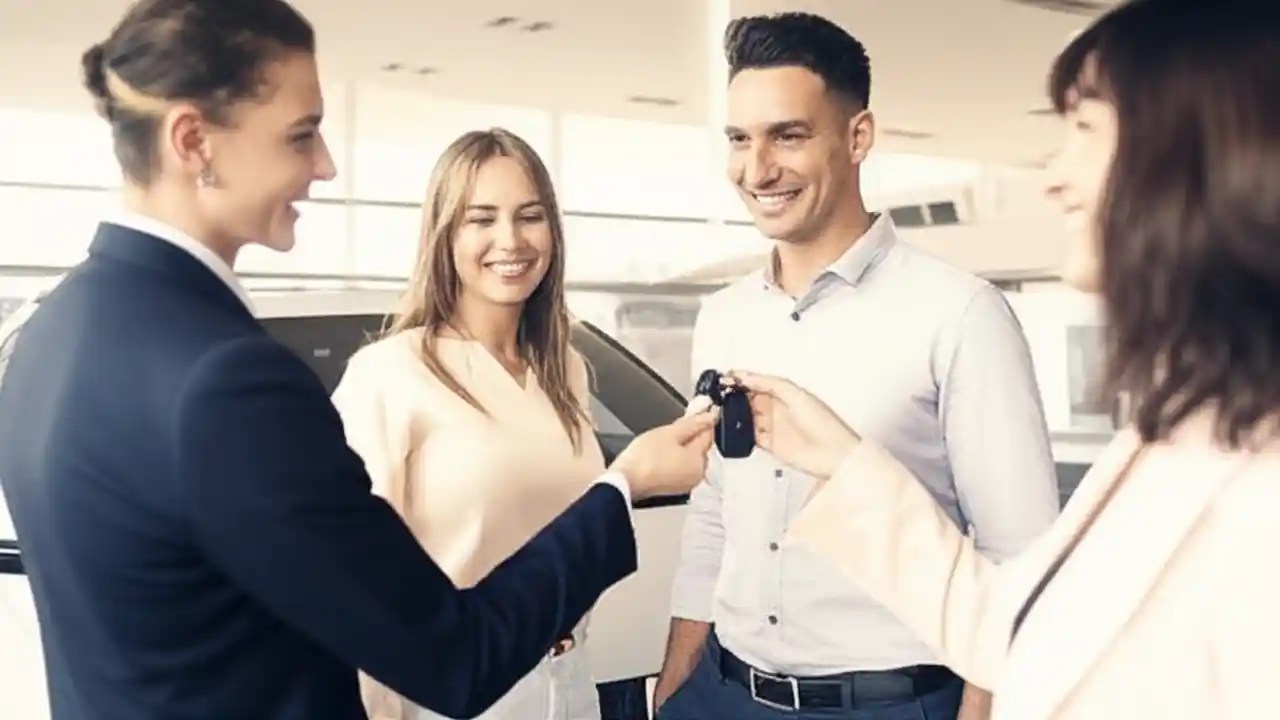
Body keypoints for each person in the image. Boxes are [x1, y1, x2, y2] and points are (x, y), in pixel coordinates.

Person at [0, 2, 716, 719]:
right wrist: (622, 486)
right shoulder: (228, 379)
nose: (325, 164)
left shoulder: (49, 337)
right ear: (195, 142)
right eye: (300, 134)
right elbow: (449, 656)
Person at [729, 1, 1280, 718]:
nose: (1054, 176)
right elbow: (1032, 640)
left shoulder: (1252, 480)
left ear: (1204, 155)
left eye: (1086, 129)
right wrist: (845, 463)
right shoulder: (1177, 430)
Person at [653, 12, 1061, 720]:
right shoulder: (723, 316)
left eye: (788, 135)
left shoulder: (961, 313)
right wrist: (678, 677)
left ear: (858, 136)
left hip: (887, 702)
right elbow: (715, 511)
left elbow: (1018, 557)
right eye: (740, 139)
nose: (757, 169)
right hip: (722, 692)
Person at [331, 128, 605, 720]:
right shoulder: (389, 374)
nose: (511, 240)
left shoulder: (565, 370)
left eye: (529, 216)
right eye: (481, 219)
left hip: (568, 680)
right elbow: (354, 588)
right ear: (444, 234)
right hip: (456, 696)